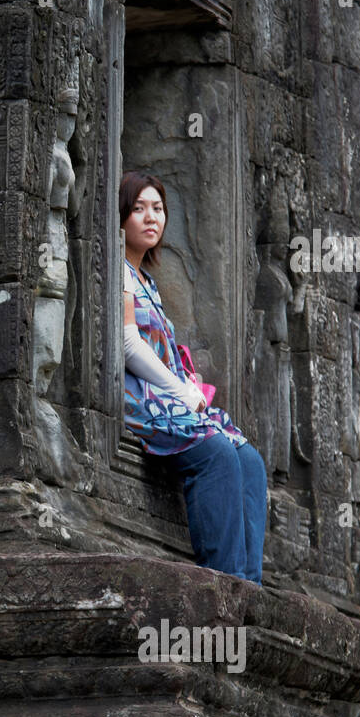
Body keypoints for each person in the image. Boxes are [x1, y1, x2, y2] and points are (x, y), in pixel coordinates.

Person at [120, 171, 266, 583]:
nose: (151, 218)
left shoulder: (148, 280)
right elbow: (129, 344)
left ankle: (249, 586)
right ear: (120, 218)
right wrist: (180, 388)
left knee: (249, 459)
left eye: (158, 209)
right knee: (216, 452)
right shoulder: (118, 268)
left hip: (167, 395)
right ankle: (224, 581)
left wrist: (186, 378)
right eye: (138, 209)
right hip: (140, 400)